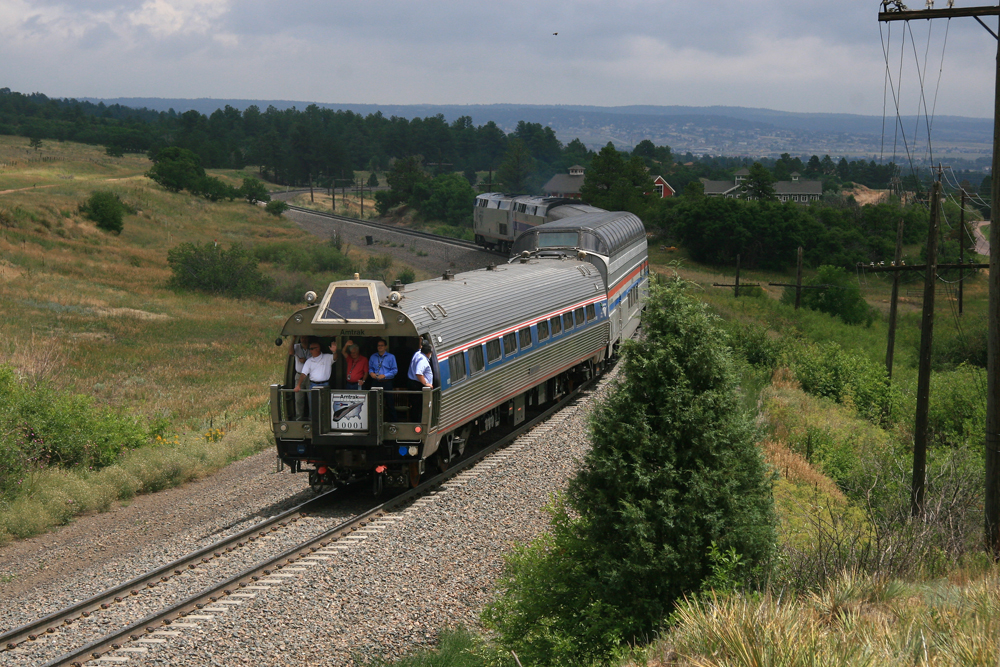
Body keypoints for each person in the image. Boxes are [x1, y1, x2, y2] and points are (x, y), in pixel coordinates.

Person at [368, 338, 398, 420]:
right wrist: (371, 373)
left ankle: (393, 422)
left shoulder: (391, 357)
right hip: (376, 382)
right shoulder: (373, 356)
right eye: (378, 345)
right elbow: (370, 368)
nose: (380, 347)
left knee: (390, 403)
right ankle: (374, 422)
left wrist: (385, 375)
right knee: (374, 403)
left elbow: (395, 370)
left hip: (386, 382)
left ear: (386, 347)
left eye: (382, 345)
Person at [407, 342, 434, 420]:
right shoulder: (423, 360)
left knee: (416, 405)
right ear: (428, 353)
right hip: (417, 385)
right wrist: (426, 383)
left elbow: (420, 348)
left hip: (412, 382)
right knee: (418, 406)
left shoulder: (418, 353)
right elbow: (419, 373)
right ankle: (417, 421)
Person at [289, 335, 311, 421]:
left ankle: (311, 418)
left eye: (305, 337)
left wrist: (306, 361)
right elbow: (290, 353)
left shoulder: (312, 347)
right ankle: (299, 418)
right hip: (299, 375)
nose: (303, 340)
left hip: (310, 375)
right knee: (299, 399)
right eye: (302, 338)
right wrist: (293, 339)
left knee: (311, 398)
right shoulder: (296, 347)